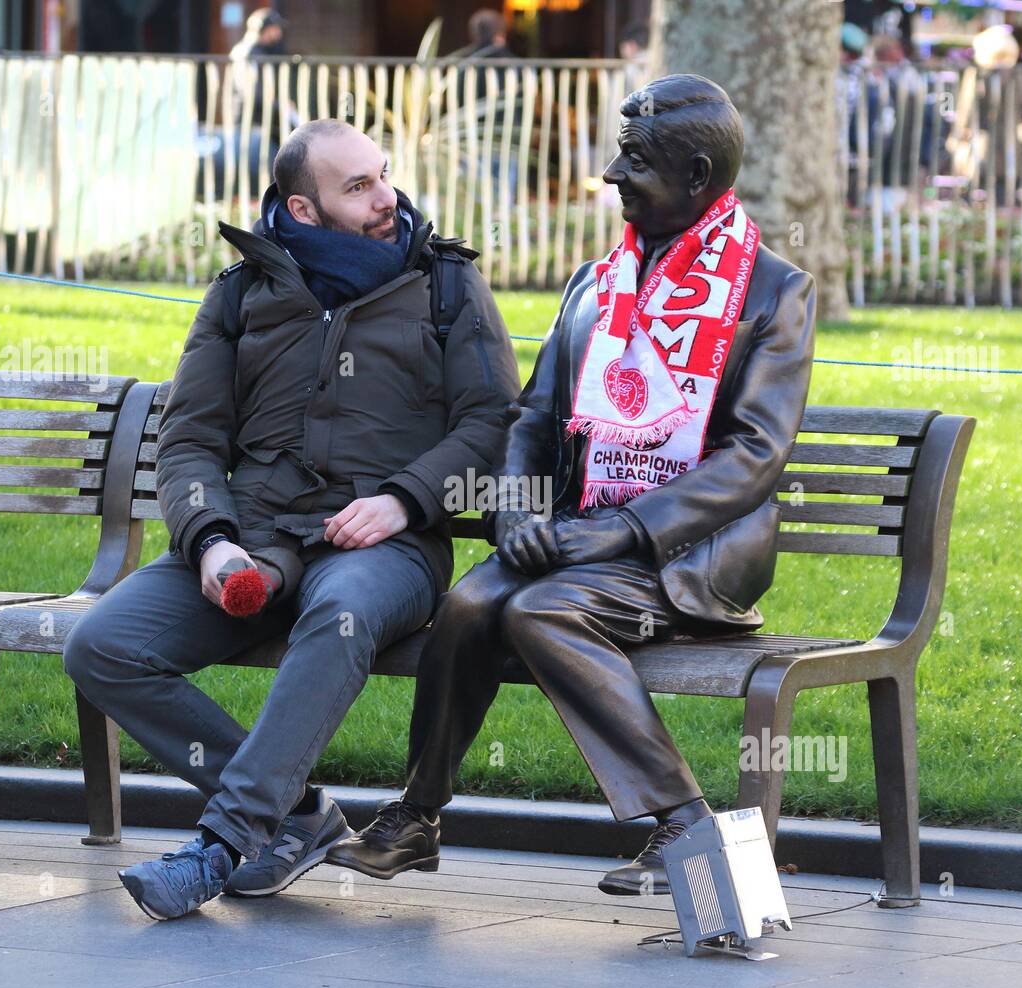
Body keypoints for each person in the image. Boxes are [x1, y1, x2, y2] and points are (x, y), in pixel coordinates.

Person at [327, 74, 816, 897]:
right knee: (475, 602)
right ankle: (416, 816)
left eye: (635, 160)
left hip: (688, 551)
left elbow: (754, 455)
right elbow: (532, 417)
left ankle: (687, 827)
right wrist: (516, 511)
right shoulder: (597, 284)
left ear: (697, 177)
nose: (611, 174)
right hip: (574, 534)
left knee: (540, 608)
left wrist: (623, 530)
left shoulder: (774, 294)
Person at [62, 119, 520, 920]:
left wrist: (404, 498)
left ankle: (222, 841)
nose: (387, 198)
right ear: (303, 210)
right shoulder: (241, 294)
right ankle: (299, 814)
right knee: (103, 644)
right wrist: (208, 539)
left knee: (340, 615)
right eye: (359, 187)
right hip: (255, 538)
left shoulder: (446, 286)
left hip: (387, 545)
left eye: (383, 176)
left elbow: (492, 423)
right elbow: (192, 439)